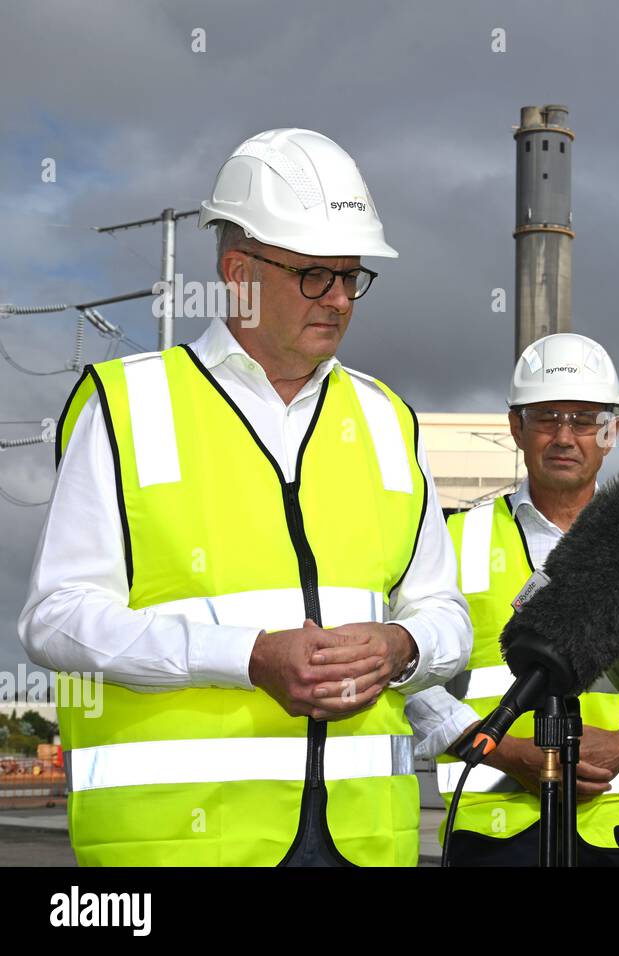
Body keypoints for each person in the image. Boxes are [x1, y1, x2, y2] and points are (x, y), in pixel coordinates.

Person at [18, 128, 472, 866]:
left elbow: (443, 611)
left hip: (367, 840)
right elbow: (56, 618)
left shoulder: (388, 418)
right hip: (182, 844)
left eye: (351, 277)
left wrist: (404, 645)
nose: (338, 300)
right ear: (238, 271)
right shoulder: (130, 404)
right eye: (314, 275)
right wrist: (247, 657)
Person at [410, 332, 619, 866]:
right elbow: (413, 687)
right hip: (489, 836)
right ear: (516, 427)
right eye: (547, 418)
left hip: (615, 837)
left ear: (610, 431)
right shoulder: (453, 541)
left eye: (584, 419)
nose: (565, 437)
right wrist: (504, 752)